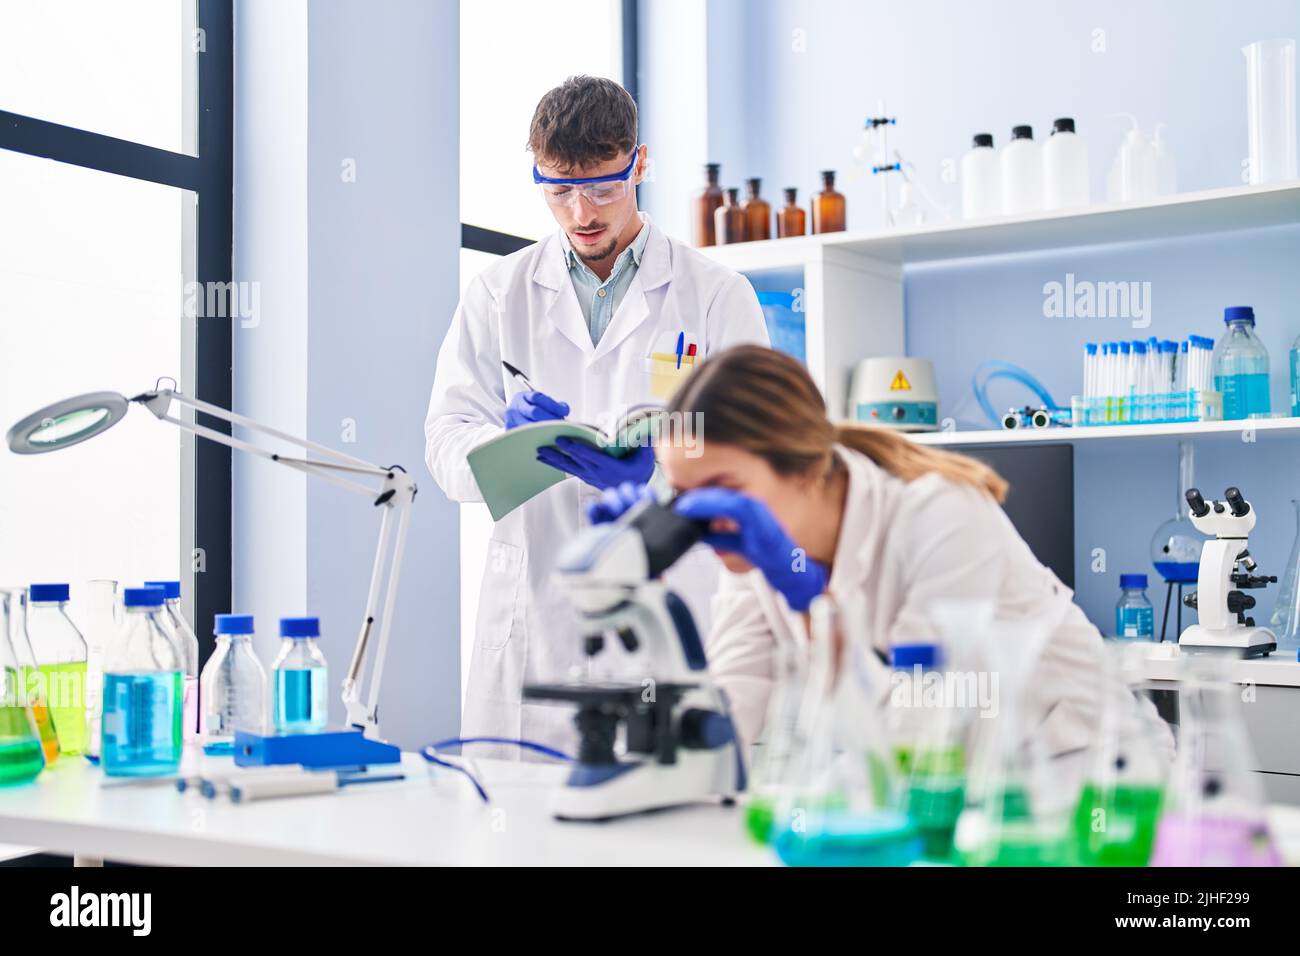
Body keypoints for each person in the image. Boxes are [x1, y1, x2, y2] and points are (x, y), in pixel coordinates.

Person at [589, 345, 1173, 785]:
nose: (702, 518)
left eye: (722, 489)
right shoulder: (752, 548)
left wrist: (811, 603)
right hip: (958, 791)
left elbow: (921, 731)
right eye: (686, 496)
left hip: (1086, 777)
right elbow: (725, 717)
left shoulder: (938, 513)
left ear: (803, 470)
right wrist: (643, 608)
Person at [424, 77, 768, 755]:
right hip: (536, 615)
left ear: (639, 165)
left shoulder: (717, 296)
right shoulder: (498, 293)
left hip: (669, 598)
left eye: (603, 188)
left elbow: (763, 455)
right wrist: (507, 446)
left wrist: (667, 471)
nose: (581, 212)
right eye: (558, 191)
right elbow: (445, 441)